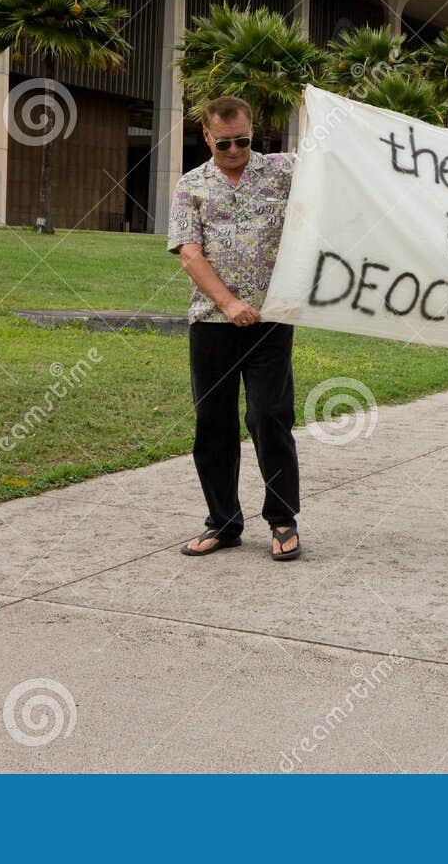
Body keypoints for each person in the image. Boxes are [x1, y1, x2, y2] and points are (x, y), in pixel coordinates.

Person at [169, 95, 302, 561]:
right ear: (207, 136)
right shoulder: (191, 185)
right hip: (213, 324)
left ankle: (283, 520)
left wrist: (321, 109)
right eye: (224, 143)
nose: (234, 150)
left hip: (270, 320)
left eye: (242, 141)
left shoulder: (284, 171)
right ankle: (223, 522)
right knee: (214, 424)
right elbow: (189, 252)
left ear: (253, 131)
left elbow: (339, 166)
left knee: (270, 417)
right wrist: (227, 304)